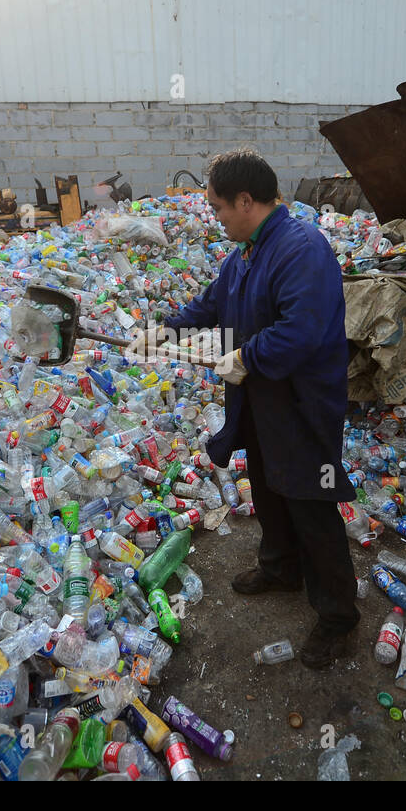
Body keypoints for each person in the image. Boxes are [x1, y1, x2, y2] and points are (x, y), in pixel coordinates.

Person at [130, 149, 360, 669]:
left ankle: (338, 616)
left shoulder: (301, 248)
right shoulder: (246, 253)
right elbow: (212, 303)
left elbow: (301, 330)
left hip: (300, 404)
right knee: (267, 483)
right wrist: (162, 332)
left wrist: (246, 356)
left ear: (246, 200)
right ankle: (280, 567)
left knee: (310, 499)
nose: (216, 218)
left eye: (218, 209)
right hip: (259, 400)